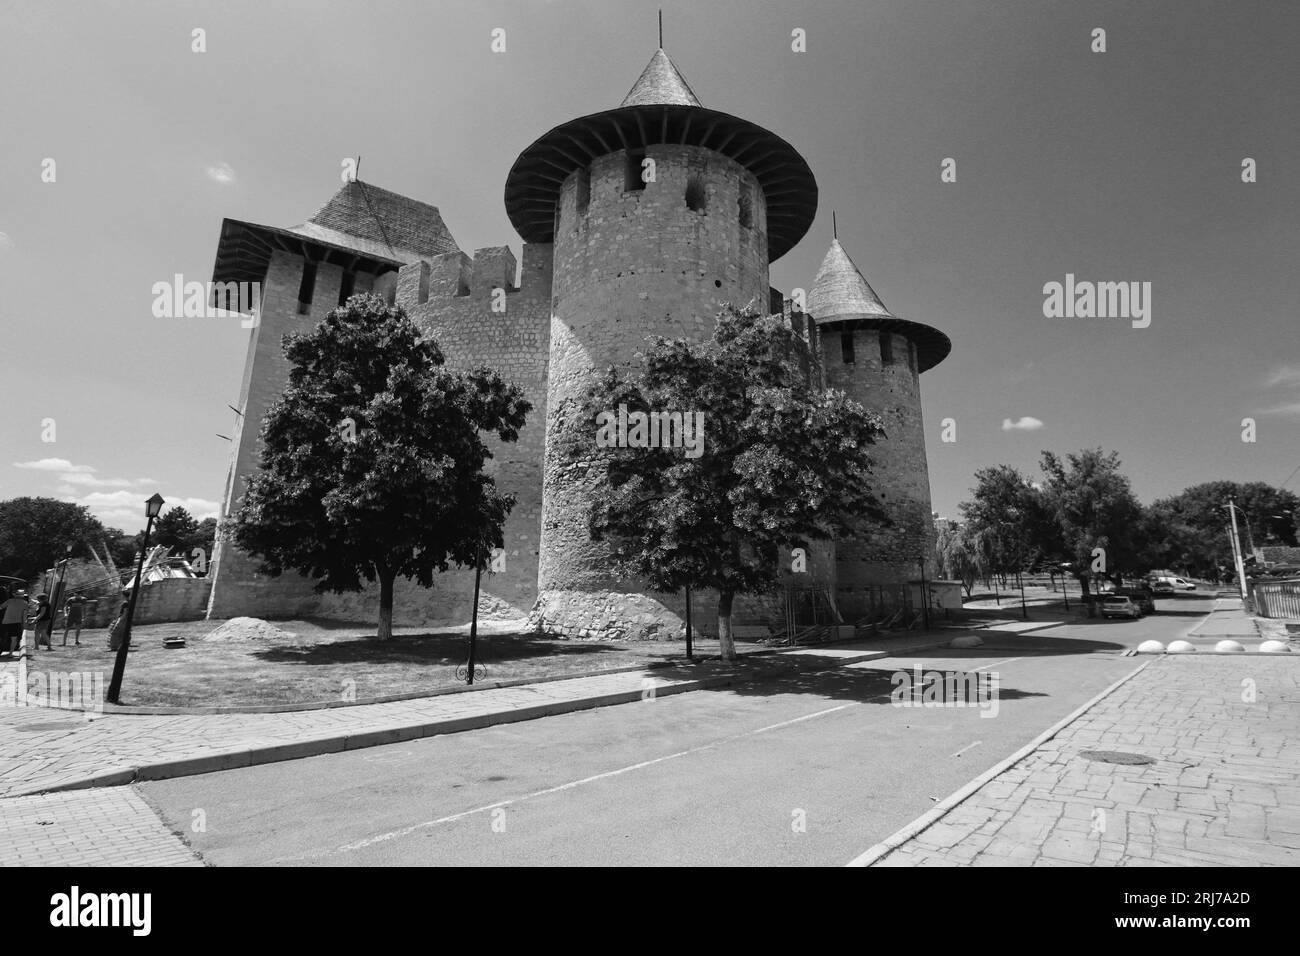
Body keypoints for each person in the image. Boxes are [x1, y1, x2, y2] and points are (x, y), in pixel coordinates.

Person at [1, 589, 27, 655]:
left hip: (6, 622)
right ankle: (10, 653)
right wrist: (24, 625)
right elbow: (24, 615)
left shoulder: (9, 601)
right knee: (14, 639)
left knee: (1, 636)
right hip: (17, 623)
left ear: (15, 595)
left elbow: (1, 607)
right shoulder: (25, 603)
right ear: (22, 596)